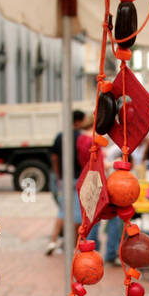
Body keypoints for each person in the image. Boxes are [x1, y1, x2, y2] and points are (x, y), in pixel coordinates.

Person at [49, 109, 91, 255]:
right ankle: (74, 245)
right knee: (77, 214)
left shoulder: (60, 136)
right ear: (79, 121)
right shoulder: (82, 138)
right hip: (78, 178)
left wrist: (58, 176)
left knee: (62, 211)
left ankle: (53, 241)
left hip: (62, 179)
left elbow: (54, 158)